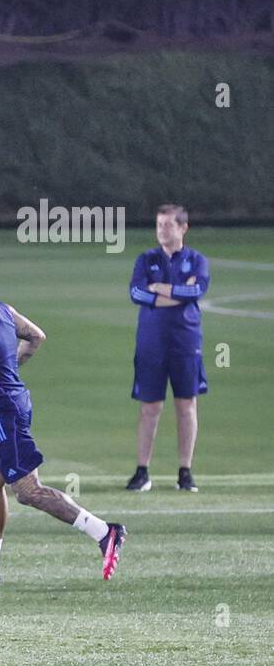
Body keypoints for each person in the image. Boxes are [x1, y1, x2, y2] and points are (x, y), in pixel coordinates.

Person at [0, 254, 126, 586]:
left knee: (27, 491)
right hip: (9, 403)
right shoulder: (3, 309)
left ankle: (104, 531)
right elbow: (36, 336)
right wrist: (12, 369)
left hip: (2, 412)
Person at [126, 204, 209, 493]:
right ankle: (142, 471)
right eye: (159, 224)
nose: (162, 230)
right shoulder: (146, 259)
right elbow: (136, 292)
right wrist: (177, 292)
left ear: (183, 228)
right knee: (150, 407)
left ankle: (185, 472)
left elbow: (196, 291)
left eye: (168, 225)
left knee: (186, 405)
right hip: (150, 342)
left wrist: (160, 289)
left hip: (186, 342)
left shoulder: (196, 260)